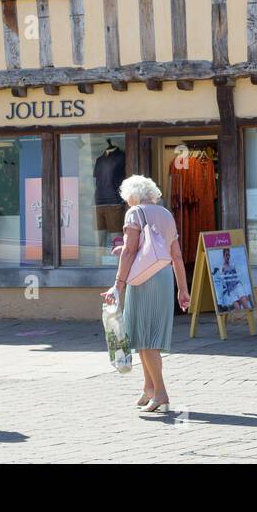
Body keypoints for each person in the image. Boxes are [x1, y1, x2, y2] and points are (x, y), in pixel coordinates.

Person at [101, 175, 191, 412]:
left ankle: (161, 393)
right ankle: (149, 388)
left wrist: (117, 286)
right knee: (143, 337)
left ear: (132, 195)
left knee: (146, 338)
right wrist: (182, 289)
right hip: (163, 276)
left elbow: (129, 253)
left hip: (143, 279)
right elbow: (176, 255)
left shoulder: (134, 213)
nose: (126, 201)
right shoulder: (166, 214)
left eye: (126, 197)